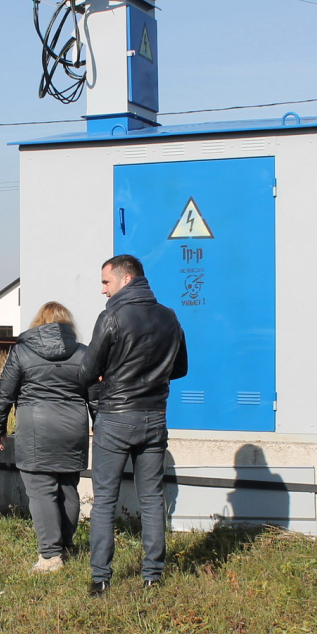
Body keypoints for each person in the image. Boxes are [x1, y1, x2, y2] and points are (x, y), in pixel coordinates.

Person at [81, 254, 188, 596]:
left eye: (105, 282)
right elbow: (181, 368)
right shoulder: (169, 317)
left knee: (105, 501)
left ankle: (100, 579)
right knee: (153, 498)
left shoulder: (111, 316)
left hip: (115, 417)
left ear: (126, 279)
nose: (102, 290)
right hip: (154, 416)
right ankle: (152, 576)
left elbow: (86, 371)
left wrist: (106, 375)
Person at [0, 301, 91, 573]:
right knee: (68, 488)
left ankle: (50, 556)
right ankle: (66, 547)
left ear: (38, 323)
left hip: (35, 428)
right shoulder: (83, 353)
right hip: (73, 428)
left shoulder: (22, 352)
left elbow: (4, 393)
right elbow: (96, 393)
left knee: (41, 491)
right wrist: (99, 423)